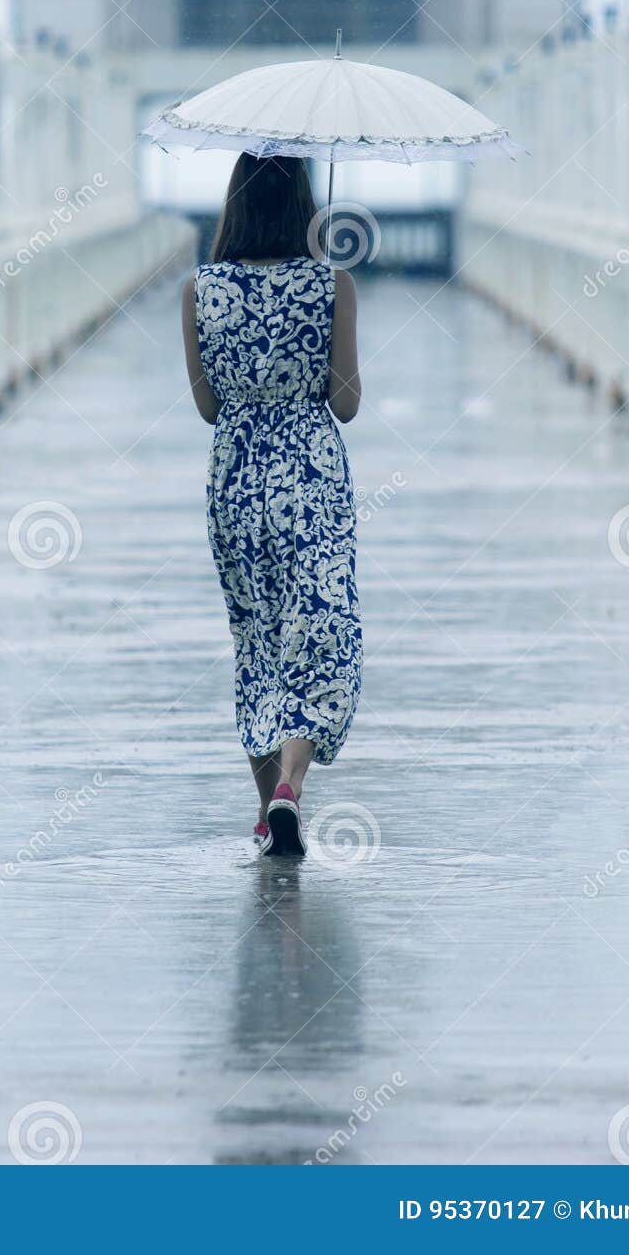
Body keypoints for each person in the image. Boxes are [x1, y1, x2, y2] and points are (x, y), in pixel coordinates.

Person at [181, 153, 363, 856]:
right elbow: (345, 403)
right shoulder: (332, 284)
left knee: (255, 639)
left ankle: (266, 817)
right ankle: (291, 786)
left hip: (235, 478)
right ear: (303, 204)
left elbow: (206, 405)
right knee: (318, 638)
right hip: (310, 476)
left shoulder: (199, 290)